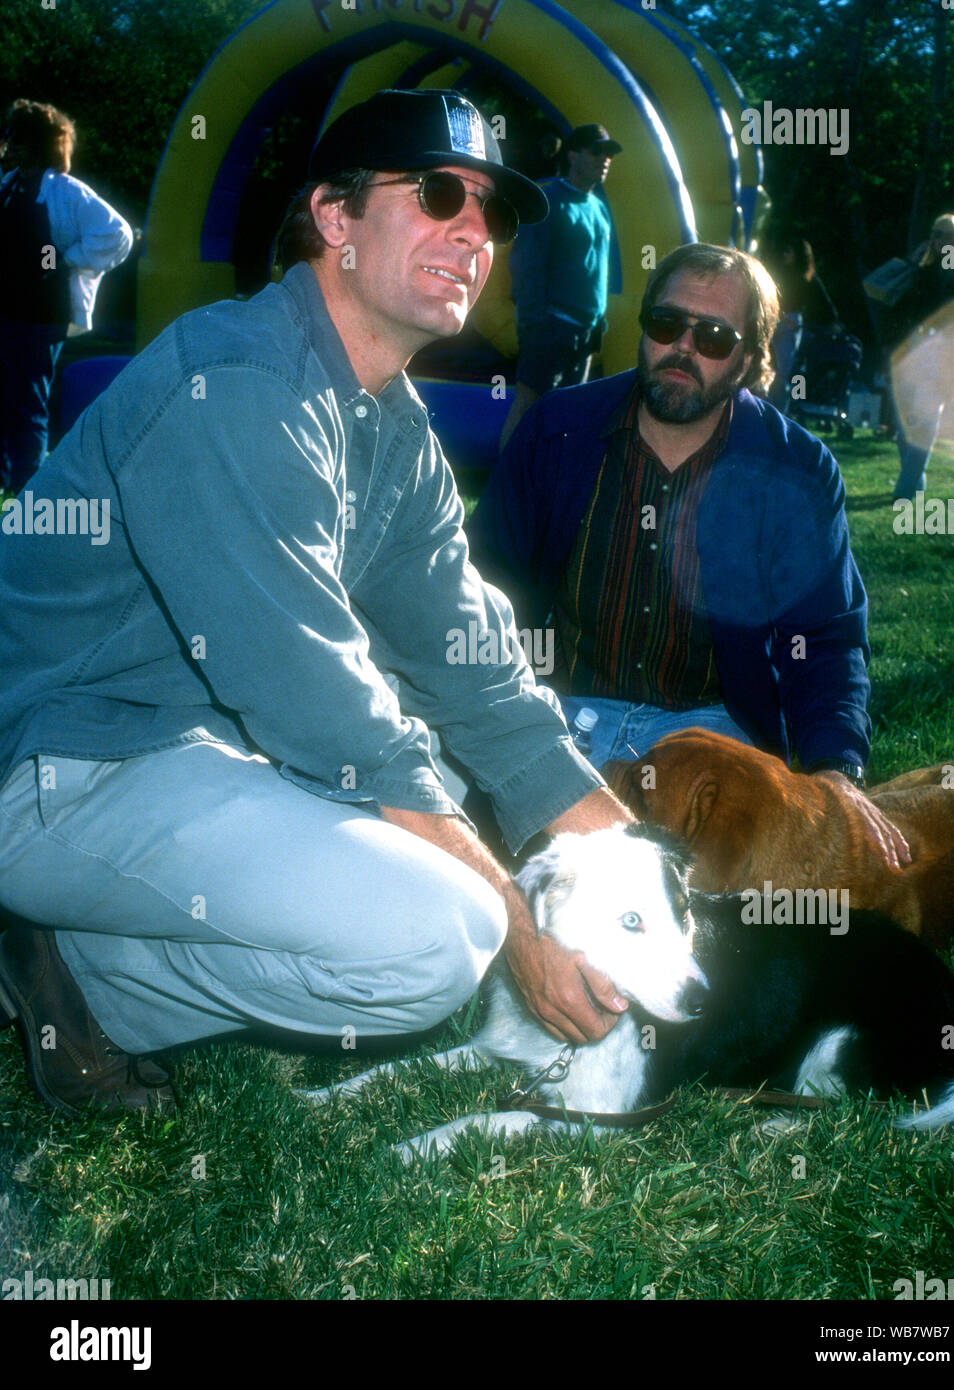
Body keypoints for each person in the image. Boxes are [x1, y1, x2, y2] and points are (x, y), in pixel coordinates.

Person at [0, 89, 637, 1119]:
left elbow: (478, 673)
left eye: (497, 213)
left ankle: (69, 957)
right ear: (334, 219)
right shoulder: (240, 382)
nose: (473, 230)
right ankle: (88, 981)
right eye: (438, 194)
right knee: (443, 934)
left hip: (184, 756)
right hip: (51, 761)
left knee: (438, 850)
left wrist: (640, 867)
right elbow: (319, 701)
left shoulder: (393, 426)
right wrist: (521, 927)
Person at [468, 242, 910, 870]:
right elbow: (483, 588)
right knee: (502, 884)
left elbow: (826, 637)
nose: (683, 349)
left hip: (711, 732)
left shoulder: (795, 468)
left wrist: (834, 768)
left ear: (753, 359)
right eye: (667, 325)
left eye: (714, 337)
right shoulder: (557, 430)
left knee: (737, 911)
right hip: (558, 713)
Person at [0, 99, 133, 494]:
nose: (10, 144)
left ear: (36, 143)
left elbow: (118, 234)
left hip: (39, 310)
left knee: (27, 402)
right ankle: (6, 483)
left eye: (17, 137)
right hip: (6, 304)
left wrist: (66, 258)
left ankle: (27, 490)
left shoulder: (62, 191)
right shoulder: (8, 186)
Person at [498, 122, 622, 451]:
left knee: (569, 413)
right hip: (550, 326)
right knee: (528, 407)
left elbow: (597, 272)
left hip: (585, 333)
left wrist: (598, 323)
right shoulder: (548, 199)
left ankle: (545, 489)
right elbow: (525, 266)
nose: (605, 159)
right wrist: (535, 323)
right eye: (596, 151)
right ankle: (505, 482)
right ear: (572, 154)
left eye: (609, 154)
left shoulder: (599, 208)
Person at [887, 213, 954, 500]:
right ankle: (916, 482)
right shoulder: (923, 273)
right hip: (915, 348)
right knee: (903, 422)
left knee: (925, 422)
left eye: (945, 235)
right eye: (935, 233)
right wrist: (913, 265)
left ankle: (905, 490)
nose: (938, 239)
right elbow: (893, 300)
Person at [763, 235, 838, 412]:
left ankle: (785, 409)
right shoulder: (777, 273)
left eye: (788, 251)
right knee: (770, 368)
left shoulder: (808, 279)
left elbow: (827, 309)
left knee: (787, 373)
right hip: (776, 322)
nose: (784, 254)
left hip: (792, 328)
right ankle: (773, 407)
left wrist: (803, 324)